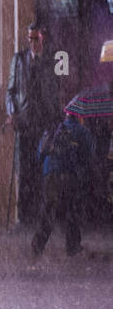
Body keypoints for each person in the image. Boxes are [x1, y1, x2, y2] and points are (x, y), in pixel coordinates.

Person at [7, 21, 64, 226]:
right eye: (29, 39)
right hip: (25, 122)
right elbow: (10, 91)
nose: (32, 43)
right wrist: (11, 112)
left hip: (45, 123)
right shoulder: (19, 59)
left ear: (42, 38)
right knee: (25, 171)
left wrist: (57, 118)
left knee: (44, 171)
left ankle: (43, 216)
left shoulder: (52, 60)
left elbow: (58, 90)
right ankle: (24, 216)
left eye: (36, 39)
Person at [31, 108, 96, 261]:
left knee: (48, 211)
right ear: (80, 117)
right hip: (69, 175)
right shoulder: (81, 131)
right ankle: (72, 246)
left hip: (50, 174)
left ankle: (37, 246)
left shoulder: (53, 131)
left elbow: (39, 155)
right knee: (72, 210)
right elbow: (90, 154)